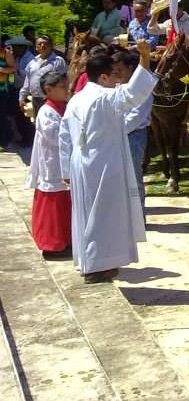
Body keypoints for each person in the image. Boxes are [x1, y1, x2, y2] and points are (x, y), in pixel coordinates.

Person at [60, 39, 157, 283]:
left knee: (85, 211)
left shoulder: (75, 100)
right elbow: (135, 93)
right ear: (103, 77)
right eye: (114, 76)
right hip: (102, 162)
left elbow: (64, 136)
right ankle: (96, 266)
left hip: (79, 161)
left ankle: (91, 261)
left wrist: (65, 169)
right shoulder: (104, 97)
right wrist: (145, 56)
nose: (117, 80)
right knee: (101, 214)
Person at [26, 70, 72, 258]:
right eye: (62, 87)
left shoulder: (62, 107)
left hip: (63, 164)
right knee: (53, 208)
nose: (66, 90)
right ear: (49, 90)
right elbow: (55, 137)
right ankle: (51, 245)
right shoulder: (46, 111)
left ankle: (65, 241)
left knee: (65, 207)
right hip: (52, 165)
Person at [112, 49, 152, 213]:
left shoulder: (141, 88)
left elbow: (135, 118)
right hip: (115, 135)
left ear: (130, 68)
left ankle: (138, 216)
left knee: (133, 178)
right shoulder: (116, 87)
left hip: (134, 136)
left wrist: (113, 129)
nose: (117, 74)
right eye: (114, 71)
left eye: (120, 70)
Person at [20, 35, 68, 118]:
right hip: (35, 99)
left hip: (52, 99)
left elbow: (64, 80)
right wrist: (22, 97)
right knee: (38, 123)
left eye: (45, 43)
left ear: (51, 46)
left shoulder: (58, 61)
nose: (42, 46)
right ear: (36, 47)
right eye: (39, 44)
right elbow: (27, 82)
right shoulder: (32, 63)